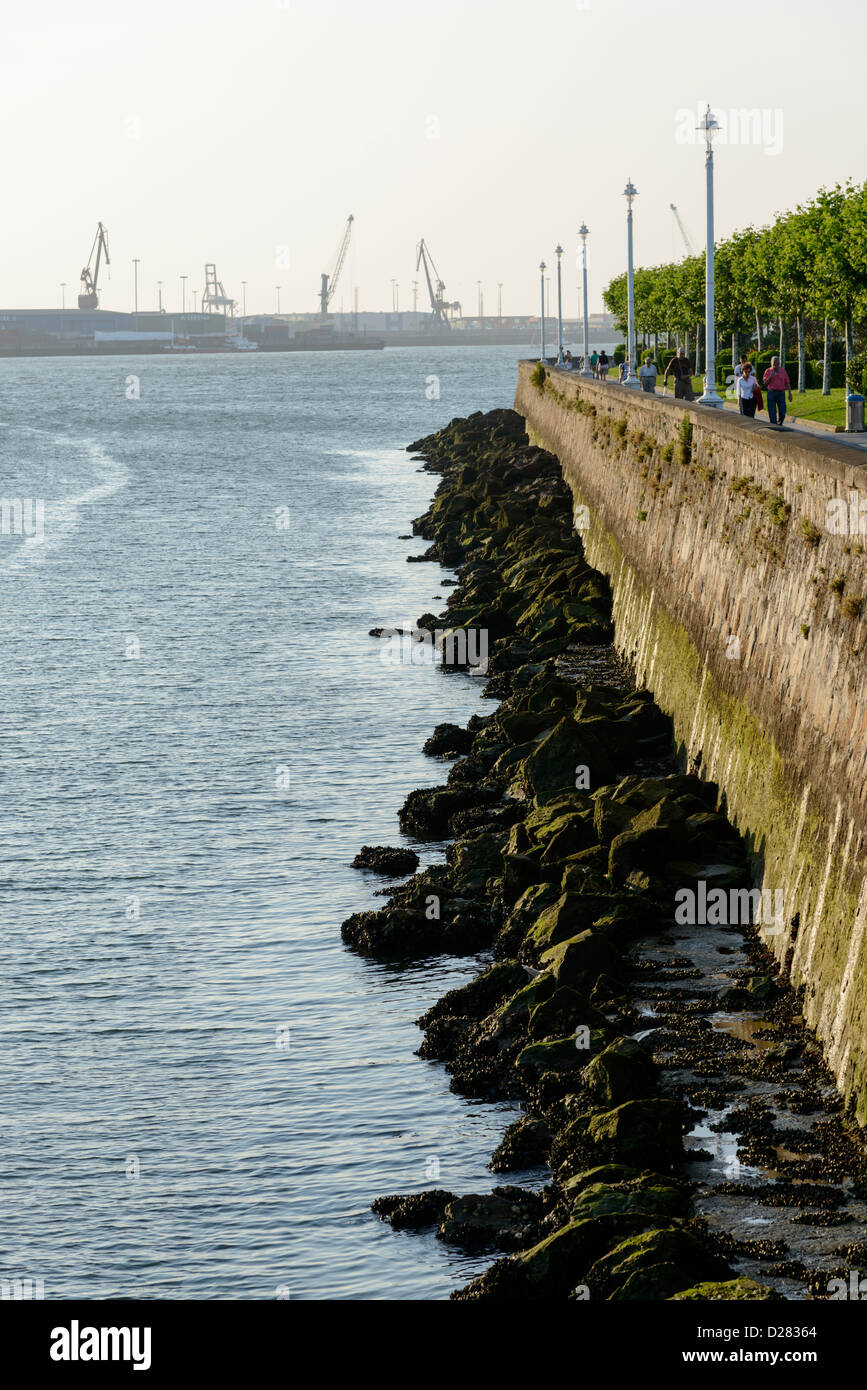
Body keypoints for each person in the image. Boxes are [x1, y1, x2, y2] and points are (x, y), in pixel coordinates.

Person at [762, 356, 793, 427]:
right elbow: (765, 383)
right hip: (771, 393)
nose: (775, 366)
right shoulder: (768, 371)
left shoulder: (783, 371)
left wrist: (789, 393)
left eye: (777, 364)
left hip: (781, 393)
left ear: (779, 363)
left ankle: (779, 423)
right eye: (774, 364)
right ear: (771, 364)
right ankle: (774, 426)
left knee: (782, 412)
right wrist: (770, 376)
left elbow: (787, 383)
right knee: (772, 412)